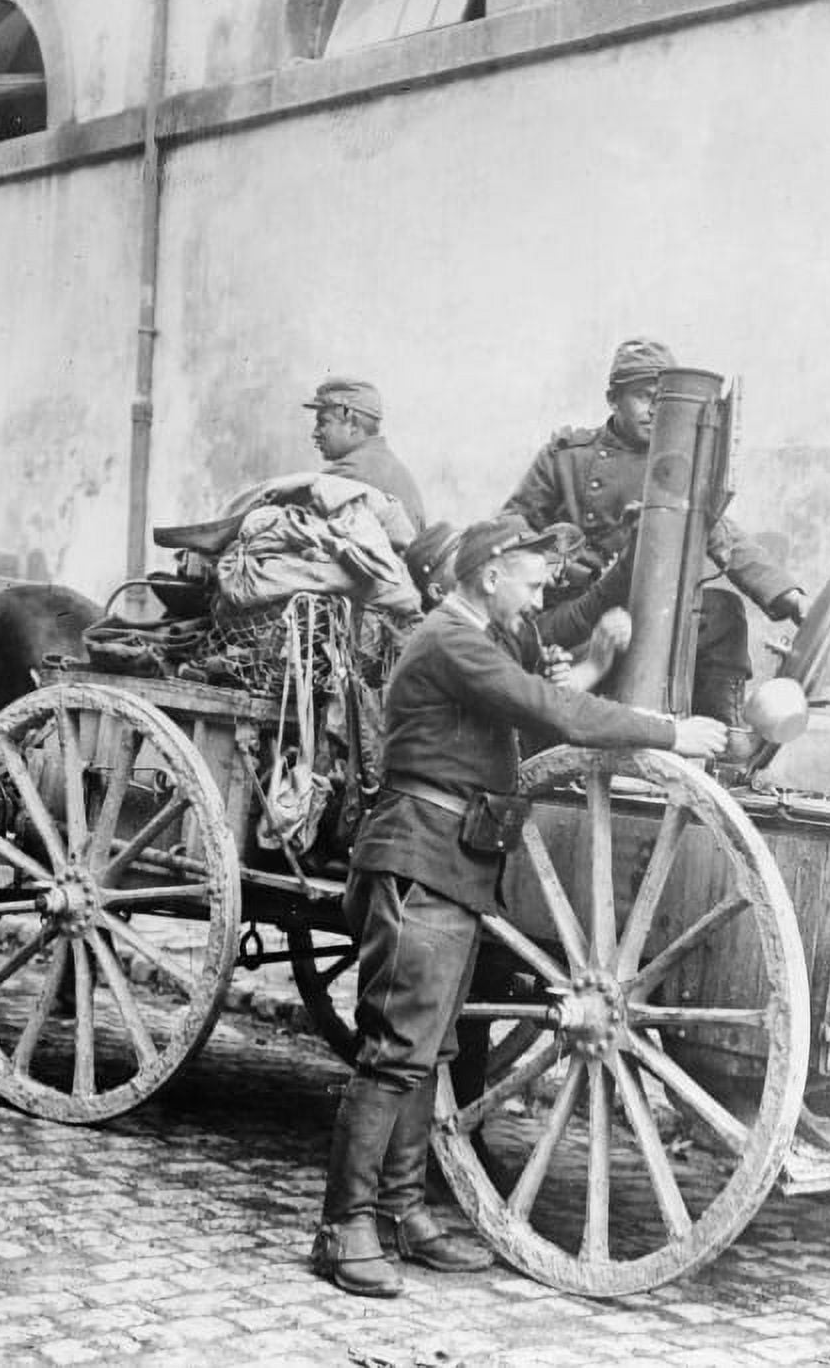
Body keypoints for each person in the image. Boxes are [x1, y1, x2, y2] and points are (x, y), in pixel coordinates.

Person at [313, 514, 728, 1298]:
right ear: (490, 571)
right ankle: (343, 1226)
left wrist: (603, 648)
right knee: (396, 1050)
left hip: (455, 861)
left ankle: (403, 1211)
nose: (539, 601)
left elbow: (556, 677)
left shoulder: (486, 636)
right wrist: (670, 731)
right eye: (533, 584)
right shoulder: (449, 640)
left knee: (430, 1050)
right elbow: (555, 712)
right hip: (420, 859)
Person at [501, 337, 808, 728]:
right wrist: (549, 558)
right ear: (613, 400)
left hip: (644, 612)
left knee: (722, 612)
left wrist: (789, 596)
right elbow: (510, 525)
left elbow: (724, 535)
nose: (654, 410)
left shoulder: (676, 467)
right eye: (644, 397)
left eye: (663, 399)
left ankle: (722, 736)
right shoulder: (566, 457)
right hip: (575, 619)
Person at [305, 376, 427, 537]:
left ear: (353, 424)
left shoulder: (349, 473)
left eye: (323, 423)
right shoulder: (387, 464)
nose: (315, 433)